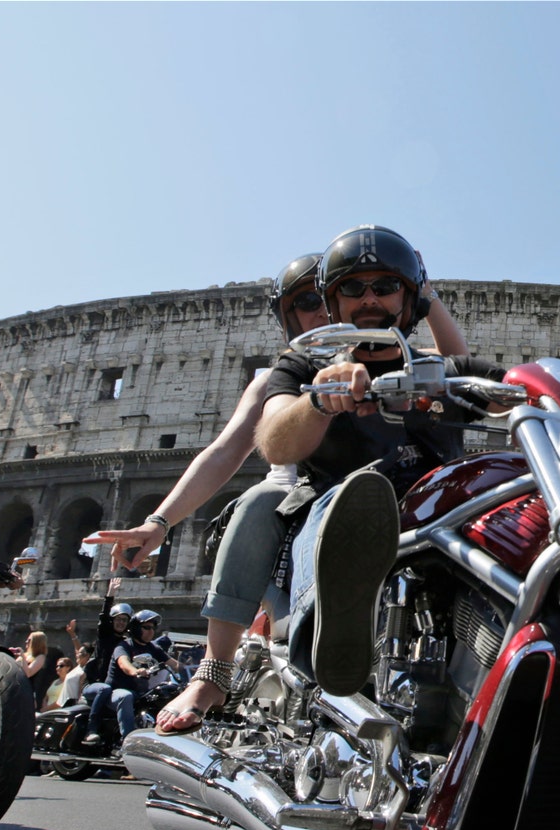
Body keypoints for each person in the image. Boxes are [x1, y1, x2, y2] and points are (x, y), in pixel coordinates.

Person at [253, 224, 560, 699]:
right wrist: (321, 400)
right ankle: (329, 636)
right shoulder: (306, 367)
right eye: (352, 288)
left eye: (385, 287)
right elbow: (275, 441)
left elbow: (525, 389)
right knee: (349, 502)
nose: (369, 298)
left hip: (442, 509)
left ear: (409, 299)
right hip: (346, 503)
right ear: (332, 301)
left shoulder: (447, 372)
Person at [92, 250, 468, 734]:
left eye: (326, 298)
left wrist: (425, 293)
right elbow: (226, 452)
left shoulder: (395, 361)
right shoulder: (284, 376)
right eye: (307, 302)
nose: (318, 313)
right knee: (259, 501)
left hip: (401, 499)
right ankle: (215, 669)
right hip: (304, 502)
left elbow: (456, 367)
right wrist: (159, 522)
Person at [85, 608, 181, 748]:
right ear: (136, 628)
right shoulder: (123, 645)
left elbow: (174, 664)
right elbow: (124, 663)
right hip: (115, 691)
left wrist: (196, 670)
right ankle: (128, 742)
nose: (151, 631)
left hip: (140, 692)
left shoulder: (152, 647)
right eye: (146, 627)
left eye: (153, 628)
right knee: (125, 696)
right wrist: (135, 671)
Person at [19, 630, 60, 709]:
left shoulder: (40, 657)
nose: (26, 641)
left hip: (27, 691)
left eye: (29, 640)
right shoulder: (26, 656)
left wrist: (22, 657)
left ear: (36, 642)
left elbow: (28, 673)